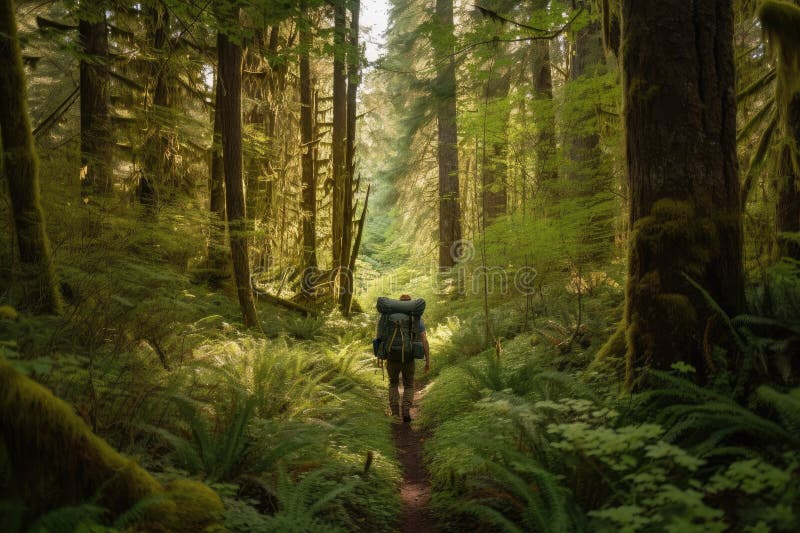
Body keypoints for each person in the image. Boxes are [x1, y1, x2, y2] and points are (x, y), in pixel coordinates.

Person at [387, 294, 430, 423]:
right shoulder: (416, 319)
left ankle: (395, 413)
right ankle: (406, 411)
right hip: (408, 358)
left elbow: (381, 337)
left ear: (399, 304)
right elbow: (424, 339)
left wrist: (381, 356)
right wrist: (427, 360)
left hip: (392, 357)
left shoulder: (389, 318)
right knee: (409, 385)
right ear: (410, 304)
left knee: (393, 384)